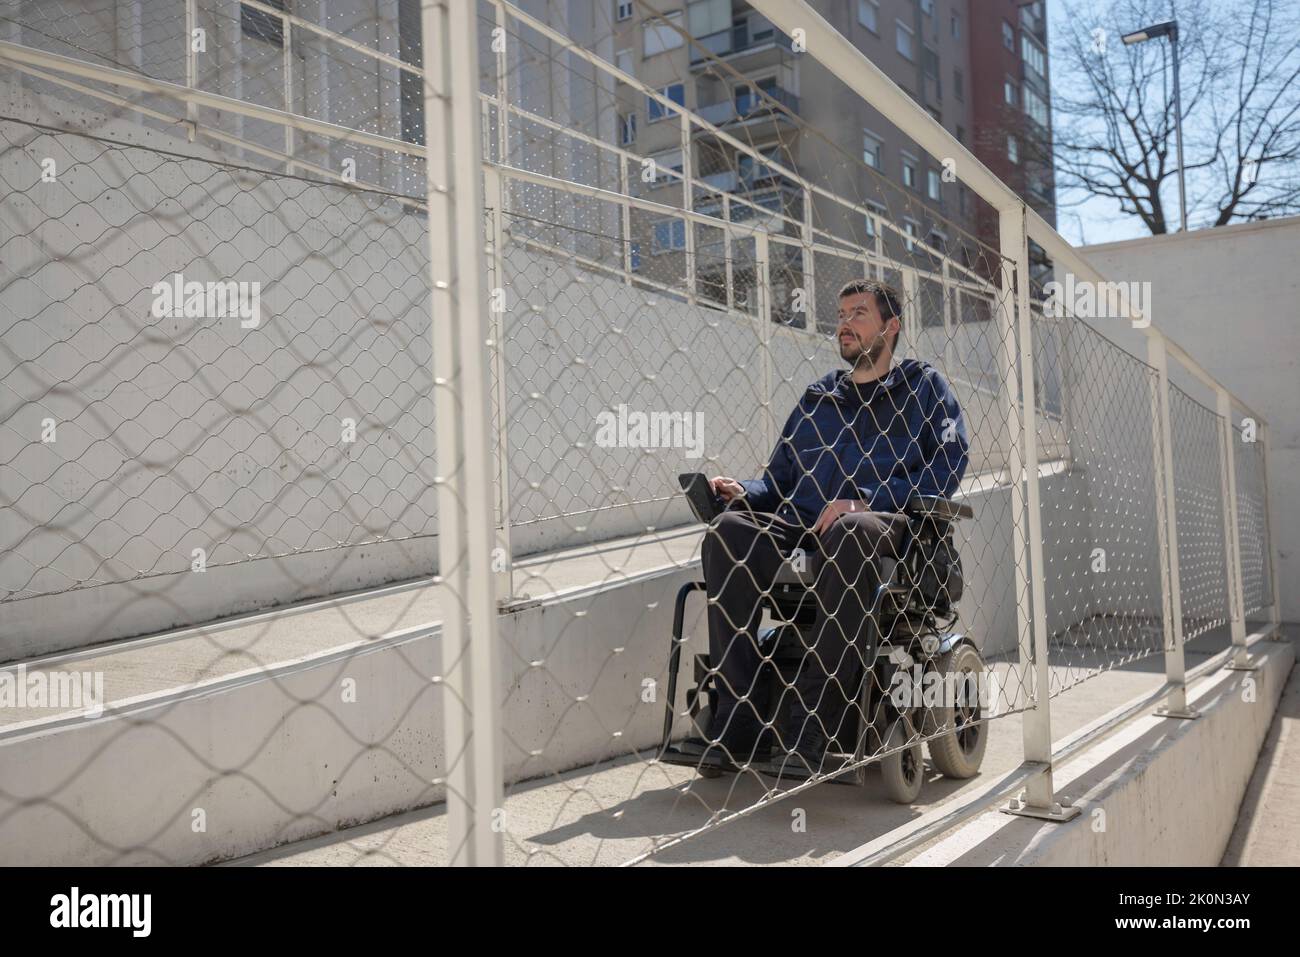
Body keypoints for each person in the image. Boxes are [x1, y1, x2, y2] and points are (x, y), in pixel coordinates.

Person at [688, 278, 969, 774]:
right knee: (728, 530)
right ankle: (739, 718)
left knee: (850, 530)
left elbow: (948, 466)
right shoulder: (819, 398)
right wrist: (742, 491)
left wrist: (867, 499)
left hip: (886, 530)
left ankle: (816, 720)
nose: (844, 323)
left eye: (859, 313)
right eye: (840, 314)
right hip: (801, 526)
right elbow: (776, 479)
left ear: (891, 327)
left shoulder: (924, 389)